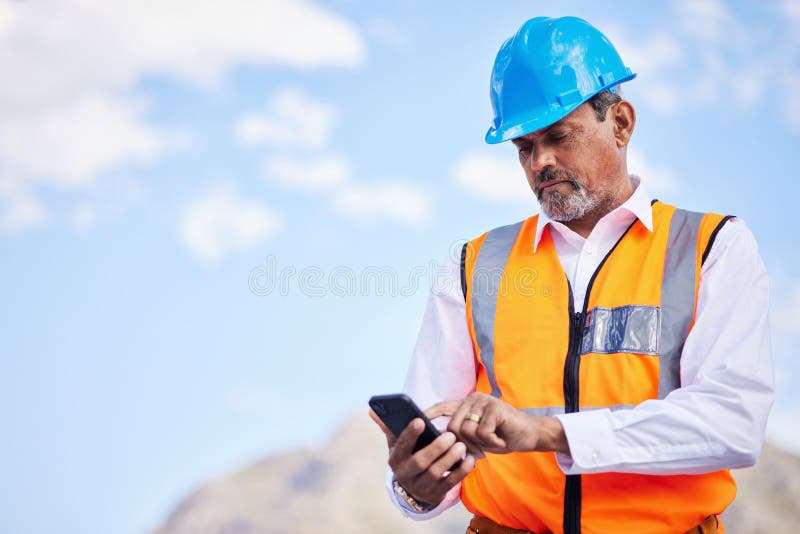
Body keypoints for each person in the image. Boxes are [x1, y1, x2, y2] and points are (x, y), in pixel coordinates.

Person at [370, 16, 774, 534]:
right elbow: (434, 442)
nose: (540, 161)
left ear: (621, 123)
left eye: (559, 136)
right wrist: (415, 488)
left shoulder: (711, 248)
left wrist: (550, 434)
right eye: (524, 147)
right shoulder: (473, 266)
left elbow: (733, 423)